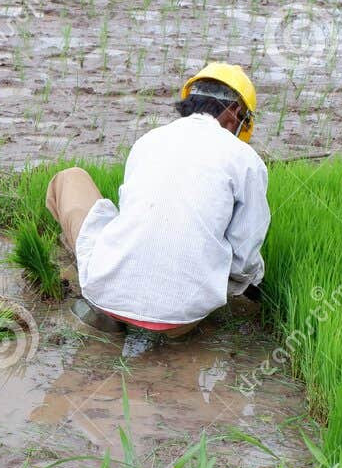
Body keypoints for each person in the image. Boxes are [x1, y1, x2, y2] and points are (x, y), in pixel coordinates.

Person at [45, 63, 268, 339]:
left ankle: (103, 302)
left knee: (70, 178)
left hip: (105, 296)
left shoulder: (148, 140)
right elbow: (244, 258)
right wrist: (250, 286)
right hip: (181, 320)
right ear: (236, 113)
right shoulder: (246, 160)